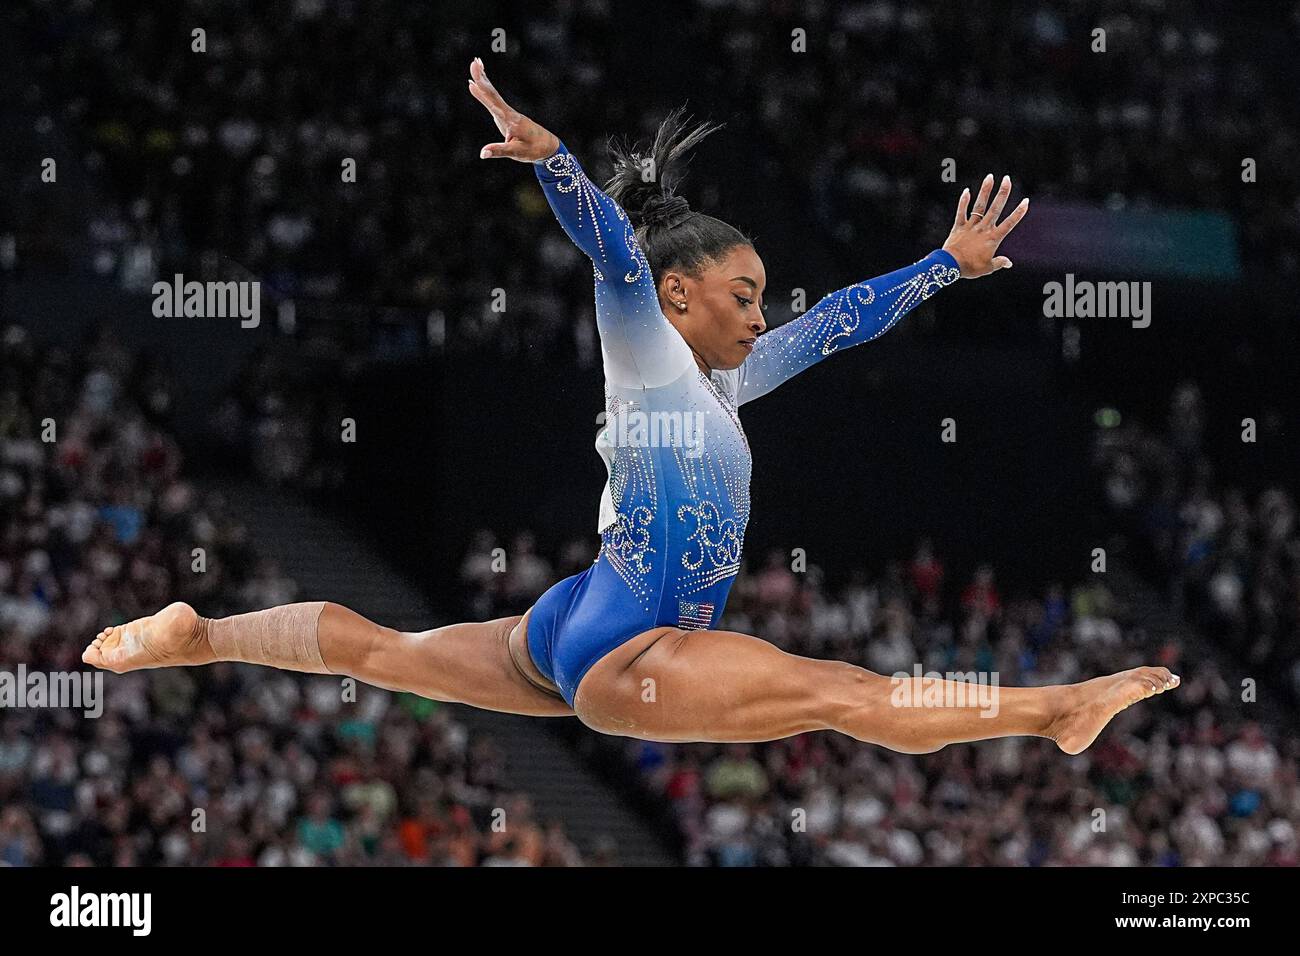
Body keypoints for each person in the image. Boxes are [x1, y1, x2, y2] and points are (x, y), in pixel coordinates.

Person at [84, 58, 1178, 756]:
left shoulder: (726, 377)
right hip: (632, 654)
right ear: (679, 294)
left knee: (383, 651)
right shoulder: (645, 344)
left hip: (577, 620)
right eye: (742, 296)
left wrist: (942, 263)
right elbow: (612, 250)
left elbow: (842, 318)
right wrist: (555, 160)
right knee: (843, 691)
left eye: (760, 299)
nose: (758, 316)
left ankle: (202, 634)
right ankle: (1053, 708)